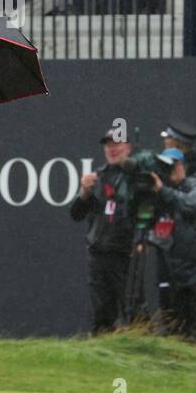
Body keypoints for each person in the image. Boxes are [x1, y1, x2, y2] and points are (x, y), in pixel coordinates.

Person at [151, 147, 196, 341]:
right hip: (181, 271)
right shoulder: (162, 196)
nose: (170, 171)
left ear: (182, 166)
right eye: (164, 167)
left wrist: (163, 191)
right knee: (180, 330)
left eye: (173, 166)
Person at [70, 126, 137, 334]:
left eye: (116, 144)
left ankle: (139, 349)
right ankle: (102, 348)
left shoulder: (136, 178)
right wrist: (84, 193)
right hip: (98, 254)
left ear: (128, 148)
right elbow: (76, 214)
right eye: (108, 145)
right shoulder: (98, 178)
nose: (112, 149)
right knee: (101, 311)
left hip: (124, 254)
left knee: (130, 308)